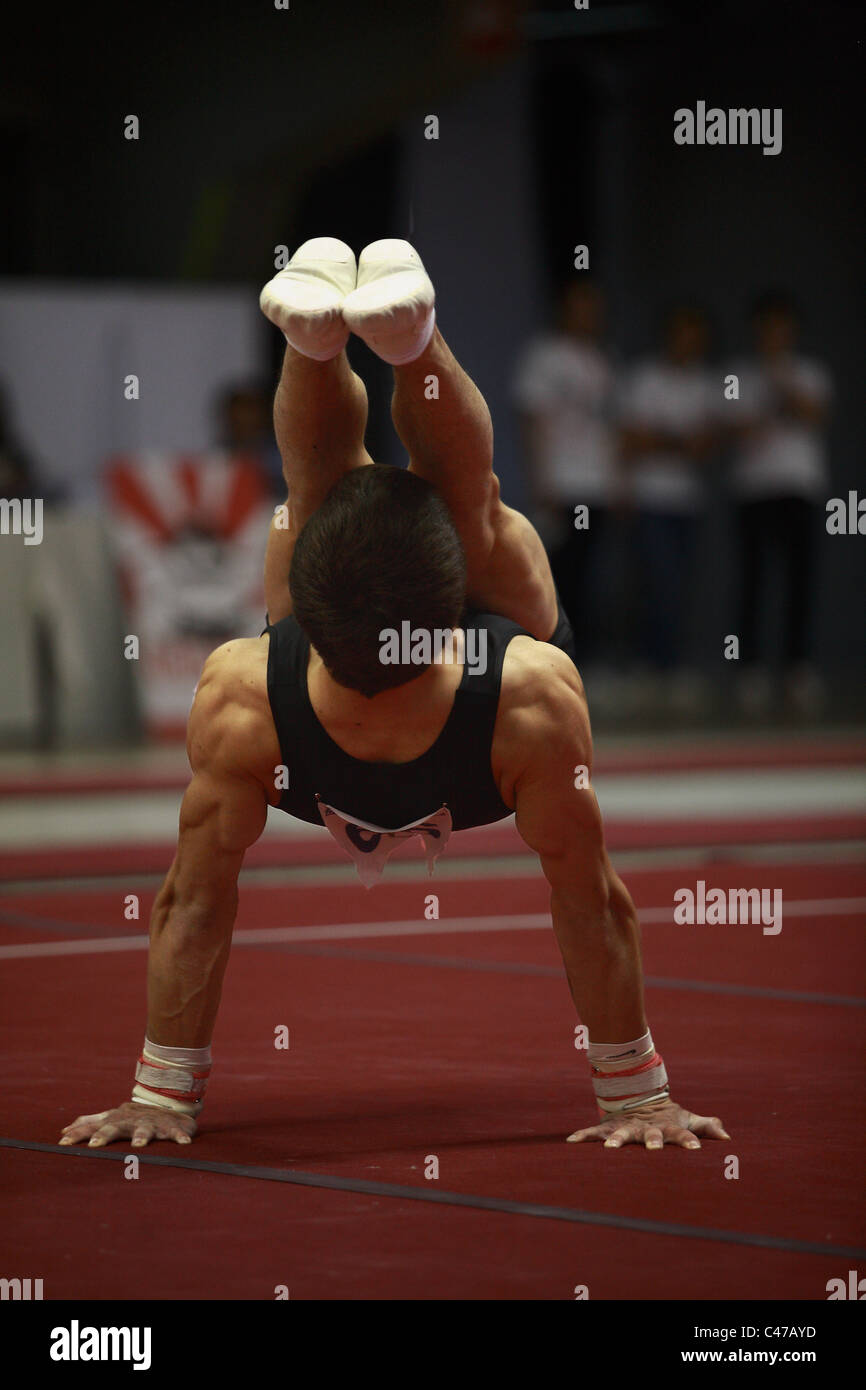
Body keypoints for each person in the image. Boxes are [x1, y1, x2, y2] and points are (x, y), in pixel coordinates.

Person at [59, 238, 728, 1155]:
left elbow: (193, 899)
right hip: (452, 667)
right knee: (468, 501)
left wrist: (164, 1096)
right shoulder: (526, 706)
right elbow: (588, 896)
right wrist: (635, 1096)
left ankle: (319, 345)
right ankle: (407, 344)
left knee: (329, 492)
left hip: (409, 648)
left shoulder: (247, 699)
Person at [727, 292, 832, 717]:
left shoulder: (810, 372)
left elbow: (813, 413)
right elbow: (735, 429)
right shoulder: (736, 375)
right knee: (753, 580)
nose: (774, 334)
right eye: (767, 326)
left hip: (799, 487)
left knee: (800, 580)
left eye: (781, 326)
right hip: (754, 489)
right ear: (757, 330)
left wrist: (781, 386)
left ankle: (796, 668)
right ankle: (749, 668)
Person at [512, 280, 618, 669]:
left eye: (594, 306)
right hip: (562, 485)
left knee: (590, 581)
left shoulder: (601, 359)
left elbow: (609, 426)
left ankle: (583, 666)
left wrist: (617, 478)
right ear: (564, 308)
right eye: (581, 304)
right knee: (556, 579)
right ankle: (548, 661)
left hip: (597, 486)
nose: (589, 314)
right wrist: (543, 481)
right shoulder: (545, 356)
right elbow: (532, 422)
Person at [618, 306, 717, 712]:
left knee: (680, 587)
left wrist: (663, 439)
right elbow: (632, 439)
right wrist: (678, 442)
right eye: (682, 333)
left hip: (688, 502)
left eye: (695, 335)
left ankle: (672, 667)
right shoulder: (644, 378)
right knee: (656, 584)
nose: (688, 343)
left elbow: (707, 445)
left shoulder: (708, 383)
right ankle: (648, 667)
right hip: (650, 498)